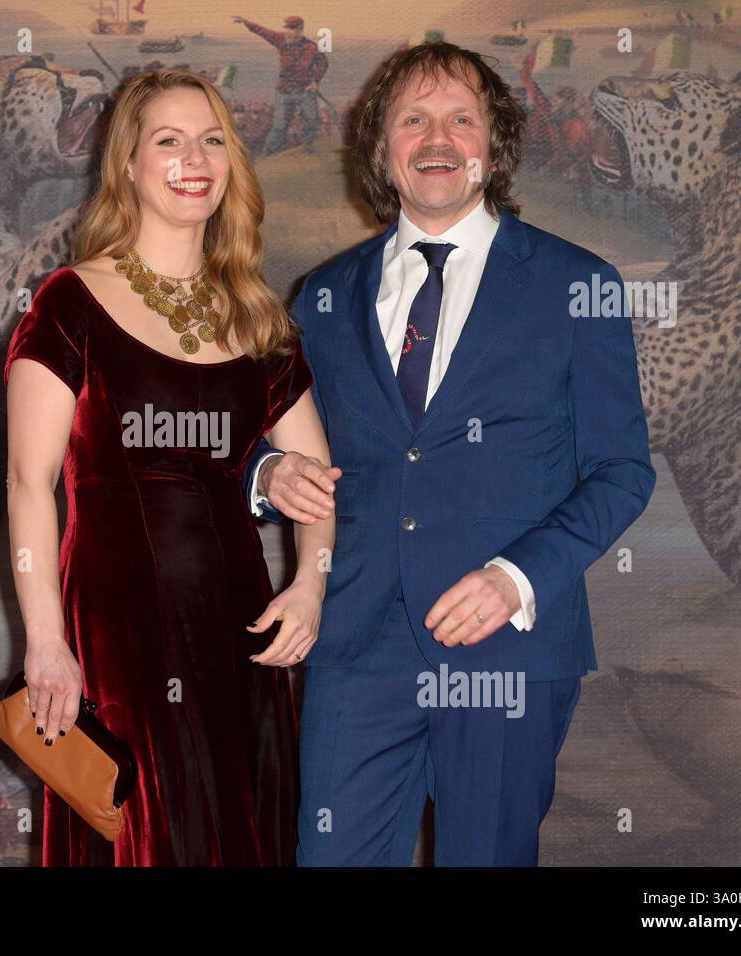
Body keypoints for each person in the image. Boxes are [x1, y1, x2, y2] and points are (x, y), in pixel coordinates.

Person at [243, 42, 655, 865]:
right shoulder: (322, 297)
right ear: (382, 148)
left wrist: (515, 577)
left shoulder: (580, 283)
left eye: (462, 119)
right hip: (355, 648)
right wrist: (267, 471)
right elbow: (274, 435)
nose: (438, 139)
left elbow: (622, 472)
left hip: (506, 645)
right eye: (415, 119)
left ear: (492, 145)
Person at [4, 68, 334, 866]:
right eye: (170, 140)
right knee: (142, 830)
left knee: (235, 822)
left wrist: (311, 584)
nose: (196, 158)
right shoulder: (71, 301)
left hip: (240, 623)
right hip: (118, 623)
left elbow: (319, 476)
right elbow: (27, 484)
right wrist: (46, 640)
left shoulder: (257, 316)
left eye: (213, 139)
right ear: (127, 165)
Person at [233, 15, 328, 155]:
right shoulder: (281, 40)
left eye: (292, 29)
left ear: (300, 30)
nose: (288, 32)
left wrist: (316, 81)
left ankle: (307, 146)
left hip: (305, 91)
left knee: (311, 121)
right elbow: (263, 31)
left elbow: (323, 63)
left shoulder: (312, 47)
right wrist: (247, 23)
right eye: (287, 28)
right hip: (284, 91)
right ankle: (268, 153)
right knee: (279, 126)